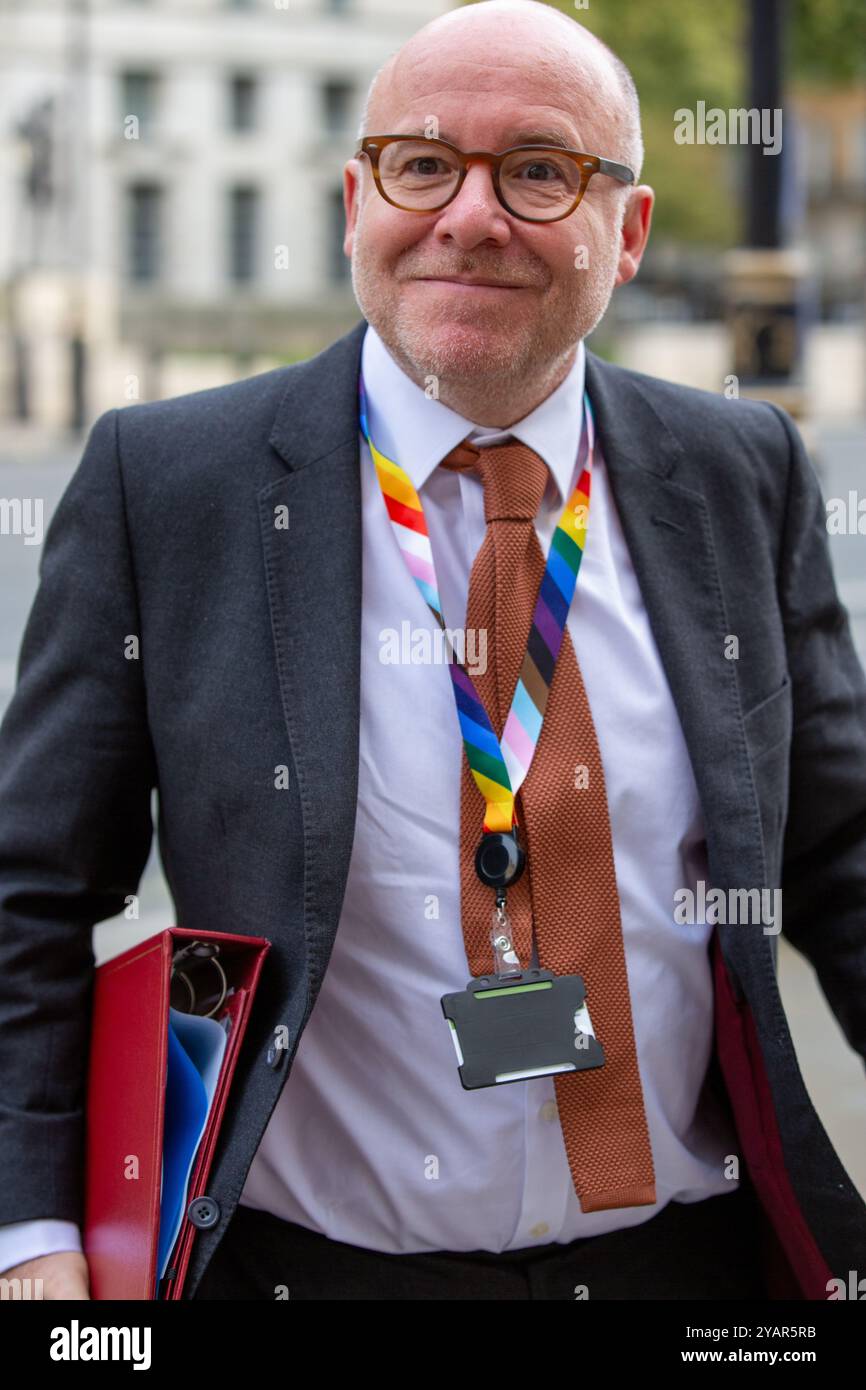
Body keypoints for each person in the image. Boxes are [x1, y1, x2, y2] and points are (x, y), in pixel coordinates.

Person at [1, 0, 864, 1302]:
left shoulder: (736, 467)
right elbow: (32, 890)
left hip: (690, 1268)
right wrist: (33, 1232)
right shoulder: (168, 481)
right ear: (355, 199)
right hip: (305, 1268)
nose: (469, 215)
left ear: (624, 232)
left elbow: (841, 849)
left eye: (535, 170)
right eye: (420, 163)